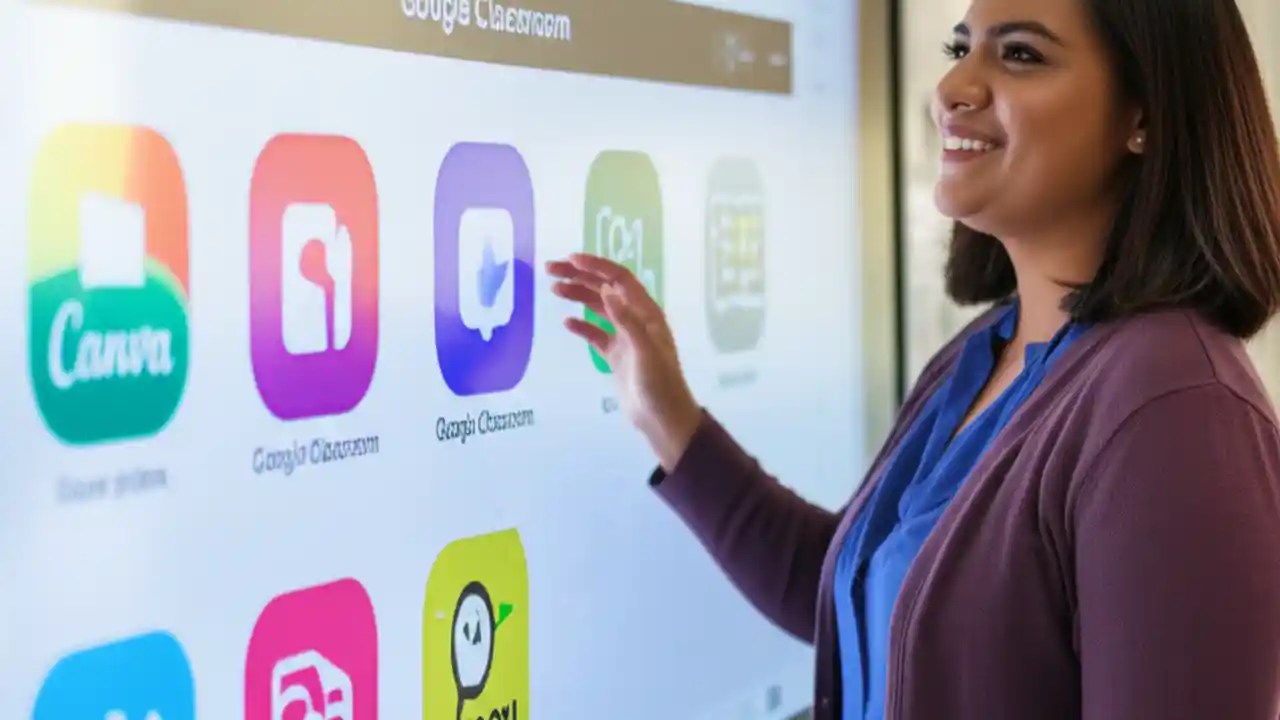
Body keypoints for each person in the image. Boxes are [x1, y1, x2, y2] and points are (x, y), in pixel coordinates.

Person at [548, 0, 1280, 717]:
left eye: (1020, 54)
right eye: (961, 50)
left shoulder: (1176, 408)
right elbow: (858, 597)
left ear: (1145, 115)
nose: (953, 89)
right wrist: (665, 412)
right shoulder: (983, 353)